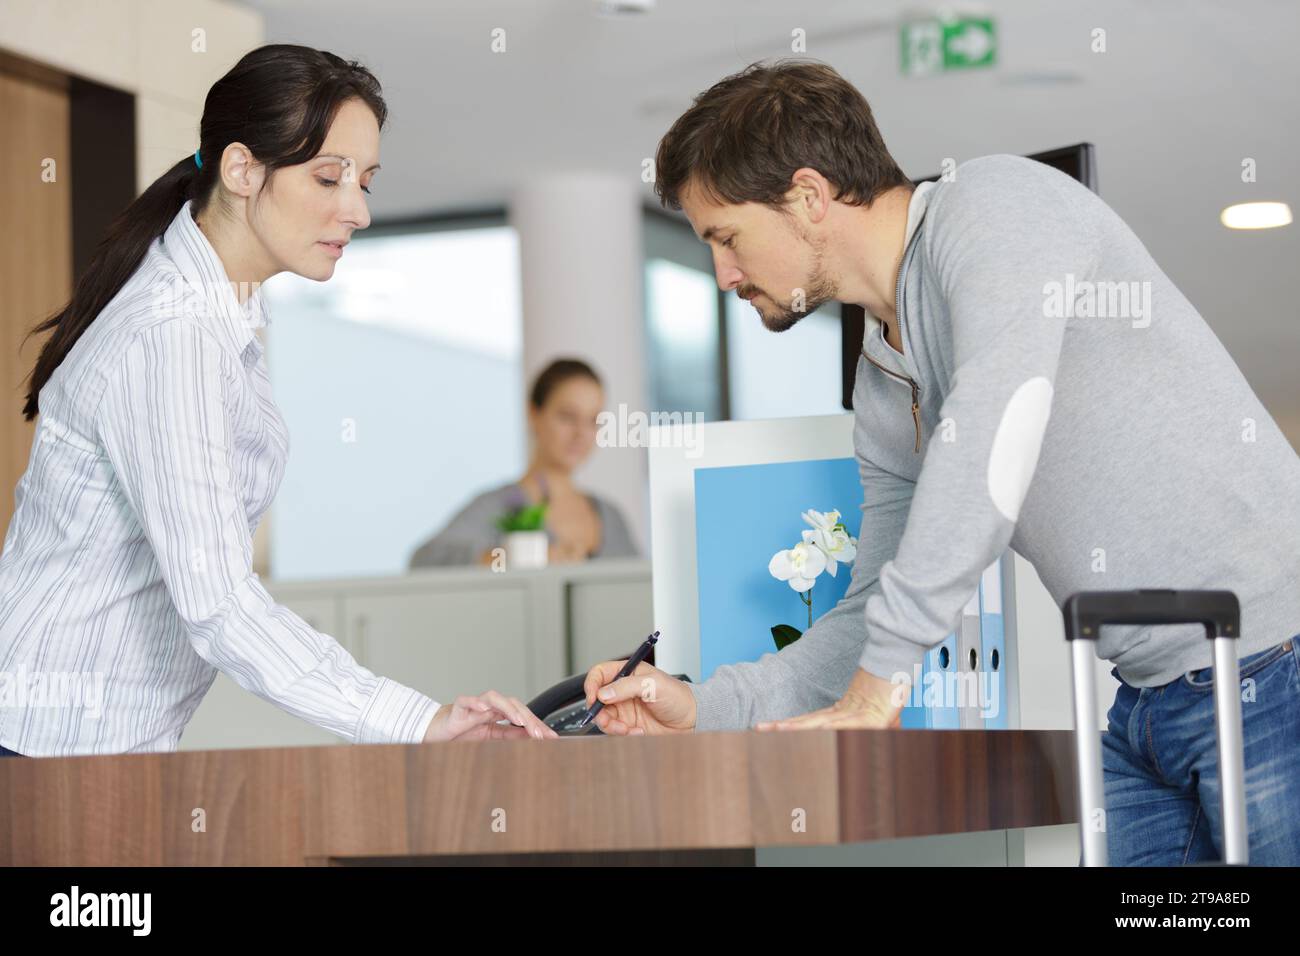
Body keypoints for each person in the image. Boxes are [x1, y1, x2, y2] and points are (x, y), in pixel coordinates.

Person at [583, 60, 1300, 865]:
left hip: (1277, 664)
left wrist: (876, 691)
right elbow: (867, 615)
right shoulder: (883, 380)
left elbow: (997, 428)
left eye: (726, 237)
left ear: (809, 198)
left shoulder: (994, 205)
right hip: (1150, 701)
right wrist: (703, 704)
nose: (723, 275)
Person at [0, 44, 556, 758]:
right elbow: (218, 603)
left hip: (87, 744)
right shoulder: (174, 335)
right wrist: (412, 719)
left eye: (365, 181)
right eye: (329, 178)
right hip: (39, 746)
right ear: (240, 170)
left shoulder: (220, 316)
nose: (356, 209)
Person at [409, 358, 639, 567]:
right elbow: (424, 561)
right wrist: (513, 559)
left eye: (593, 421)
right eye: (567, 416)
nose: (581, 433)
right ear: (534, 414)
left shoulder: (611, 516)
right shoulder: (498, 506)